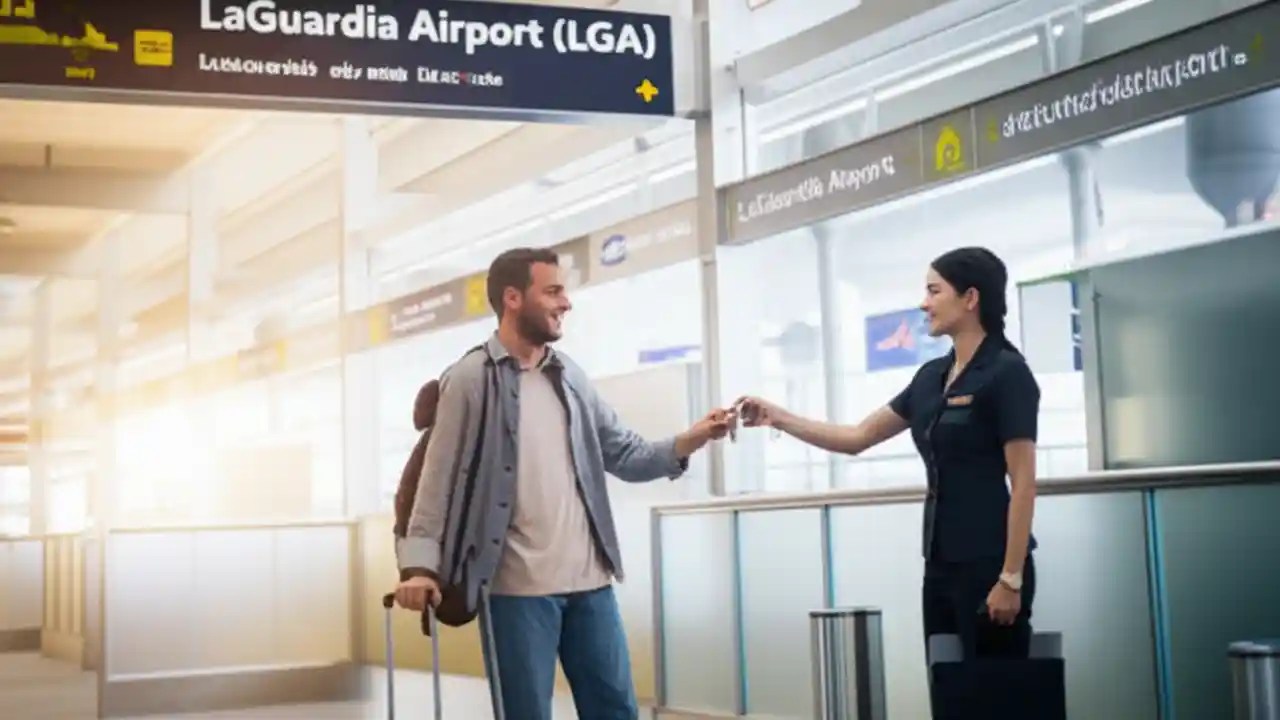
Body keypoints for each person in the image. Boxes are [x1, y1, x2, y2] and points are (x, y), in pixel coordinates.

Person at [394, 247, 731, 720]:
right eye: (552, 290)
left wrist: (693, 438)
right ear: (513, 298)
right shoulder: (470, 379)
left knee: (615, 710)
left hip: (591, 584)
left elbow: (626, 455)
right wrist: (420, 570)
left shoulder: (570, 375)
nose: (565, 303)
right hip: (515, 592)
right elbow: (436, 484)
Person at [735, 246, 1040, 668]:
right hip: (939, 565)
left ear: (971, 298)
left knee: (994, 698)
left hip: (990, 564)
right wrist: (778, 417)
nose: (923, 303)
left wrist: (1011, 577)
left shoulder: (1007, 373)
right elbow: (857, 437)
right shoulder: (930, 378)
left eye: (934, 291)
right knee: (949, 694)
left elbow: (1023, 482)